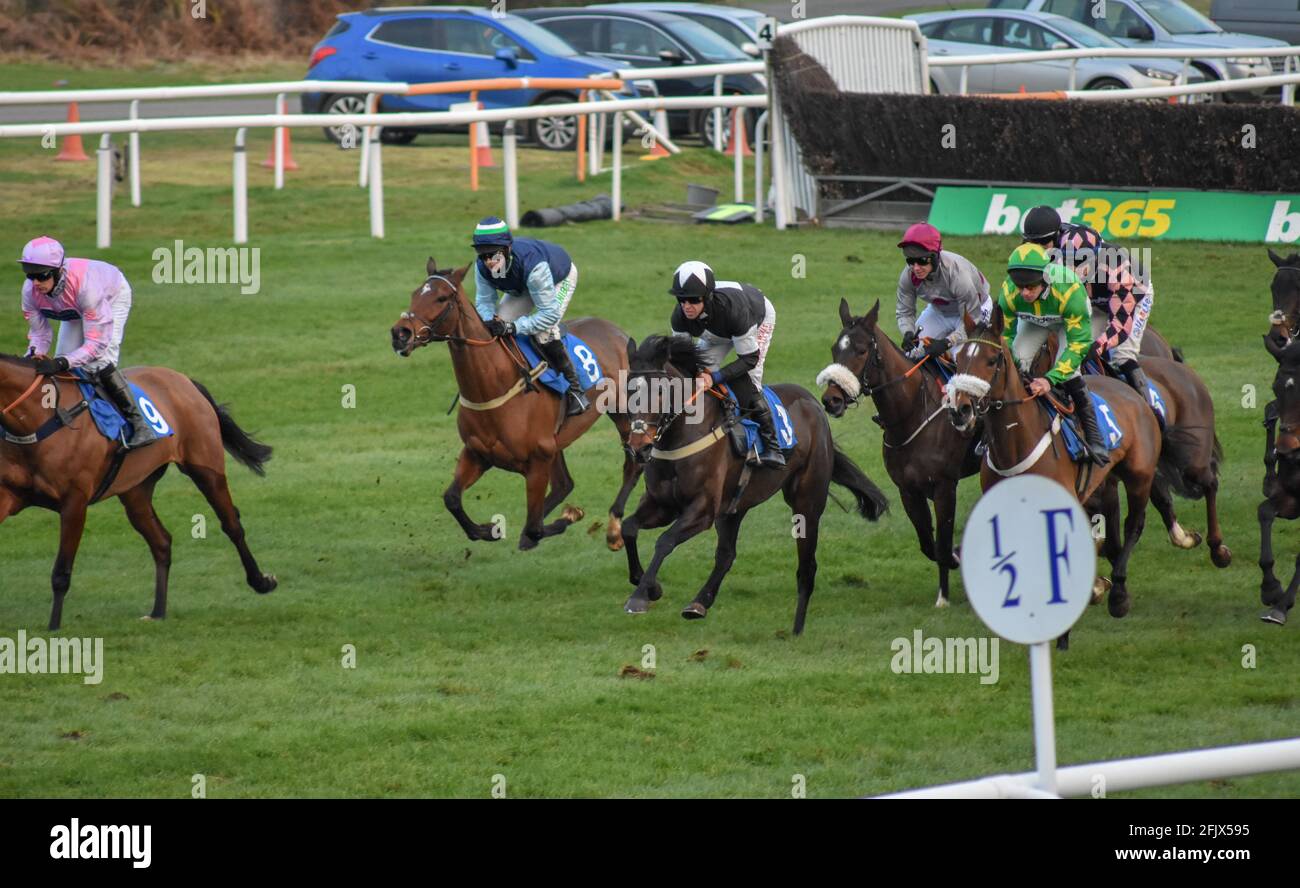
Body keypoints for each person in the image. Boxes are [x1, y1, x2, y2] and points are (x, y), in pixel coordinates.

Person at [17, 235, 157, 449]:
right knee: (62, 365)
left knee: (98, 362)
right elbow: (40, 334)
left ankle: (139, 423)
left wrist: (62, 362)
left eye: (42, 276)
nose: (35, 283)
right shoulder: (30, 291)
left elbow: (96, 345)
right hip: (73, 308)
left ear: (58, 271)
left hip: (110, 297)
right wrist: (33, 356)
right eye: (29, 275)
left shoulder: (86, 289)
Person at [1020, 205, 1154, 399]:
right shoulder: (1055, 245)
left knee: (1121, 356)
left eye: (1077, 265)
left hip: (1134, 293)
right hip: (1095, 299)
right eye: (1067, 263)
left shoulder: (1119, 274)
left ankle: (1150, 410)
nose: (1071, 272)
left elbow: (1120, 327)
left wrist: (1097, 346)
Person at [999, 242, 1109, 467]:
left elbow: (1078, 344)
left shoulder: (1069, 290)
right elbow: (1006, 338)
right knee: (1017, 361)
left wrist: (1050, 379)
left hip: (1067, 320)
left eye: (1031, 286)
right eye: (1020, 287)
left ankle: (1094, 435)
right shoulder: (1009, 292)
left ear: (1045, 277)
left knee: (1068, 371)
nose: (1025, 292)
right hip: (1034, 321)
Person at [668, 260, 785, 469]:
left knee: (750, 382)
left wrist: (713, 378)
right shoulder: (679, 317)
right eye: (681, 300)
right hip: (716, 330)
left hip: (755, 317)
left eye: (693, 300)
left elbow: (749, 359)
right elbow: (683, 361)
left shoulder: (734, 311)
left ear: (706, 297)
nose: (687, 306)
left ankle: (773, 447)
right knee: (696, 379)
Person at [471, 217, 589, 416]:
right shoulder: (482, 267)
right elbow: (484, 301)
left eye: (494, 254)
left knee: (543, 332)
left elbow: (549, 314)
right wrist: (490, 321)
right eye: (483, 255)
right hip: (523, 286)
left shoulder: (533, 267)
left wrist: (514, 327)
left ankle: (575, 390)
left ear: (508, 248)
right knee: (496, 325)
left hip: (558, 277)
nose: (489, 261)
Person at [895, 222, 992, 362]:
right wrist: (908, 332)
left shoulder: (958, 275)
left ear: (935, 256)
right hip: (939, 311)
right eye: (910, 261)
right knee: (913, 355)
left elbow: (972, 321)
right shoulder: (908, 275)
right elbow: (904, 311)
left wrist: (946, 343)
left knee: (962, 358)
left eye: (922, 260)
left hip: (974, 312)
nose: (916, 268)